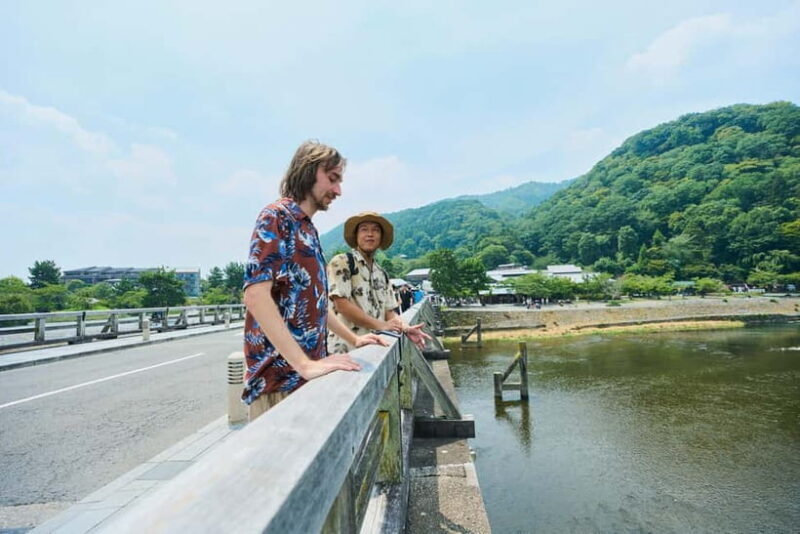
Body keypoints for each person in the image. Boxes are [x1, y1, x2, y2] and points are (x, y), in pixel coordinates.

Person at [241, 141, 387, 420]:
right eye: (332, 179)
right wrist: (304, 365)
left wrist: (354, 339)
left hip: (306, 378)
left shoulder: (308, 230)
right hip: (279, 382)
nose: (338, 190)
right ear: (308, 171)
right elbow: (256, 296)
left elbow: (316, 302)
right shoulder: (276, 217)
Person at [327, 211, 430, 354]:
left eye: (375, 230)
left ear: (381, 238)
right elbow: (342, 305)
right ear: (356, 236)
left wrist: (405, 328)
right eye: (364, 229)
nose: (370, 234)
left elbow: (389, 311)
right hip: (346, 349)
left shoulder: (382, 274)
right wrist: (381, 325)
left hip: (375, 350)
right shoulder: (342, 262)